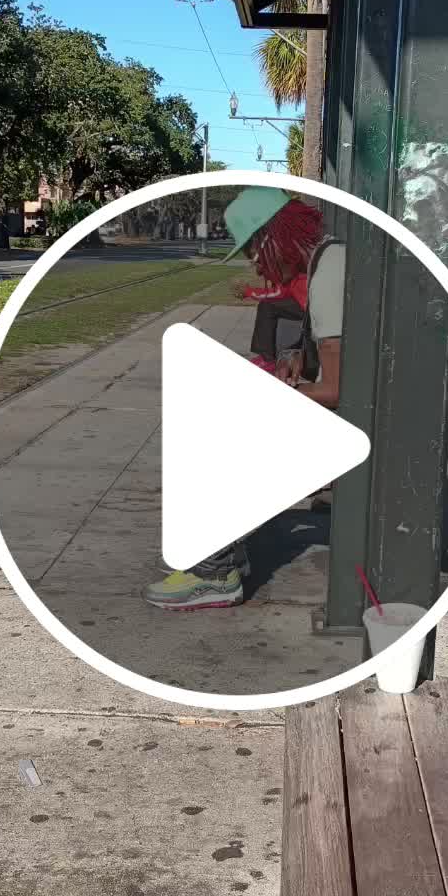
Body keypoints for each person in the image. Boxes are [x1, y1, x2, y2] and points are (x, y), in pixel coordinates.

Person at [143, 186, 345, 612]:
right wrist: (295, 358)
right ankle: (224, 556)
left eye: (253, 249)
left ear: (273, 236)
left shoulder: (328, 275)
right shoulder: (329, 259)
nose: (254, 262)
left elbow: (336, 389)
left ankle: (215, 575)